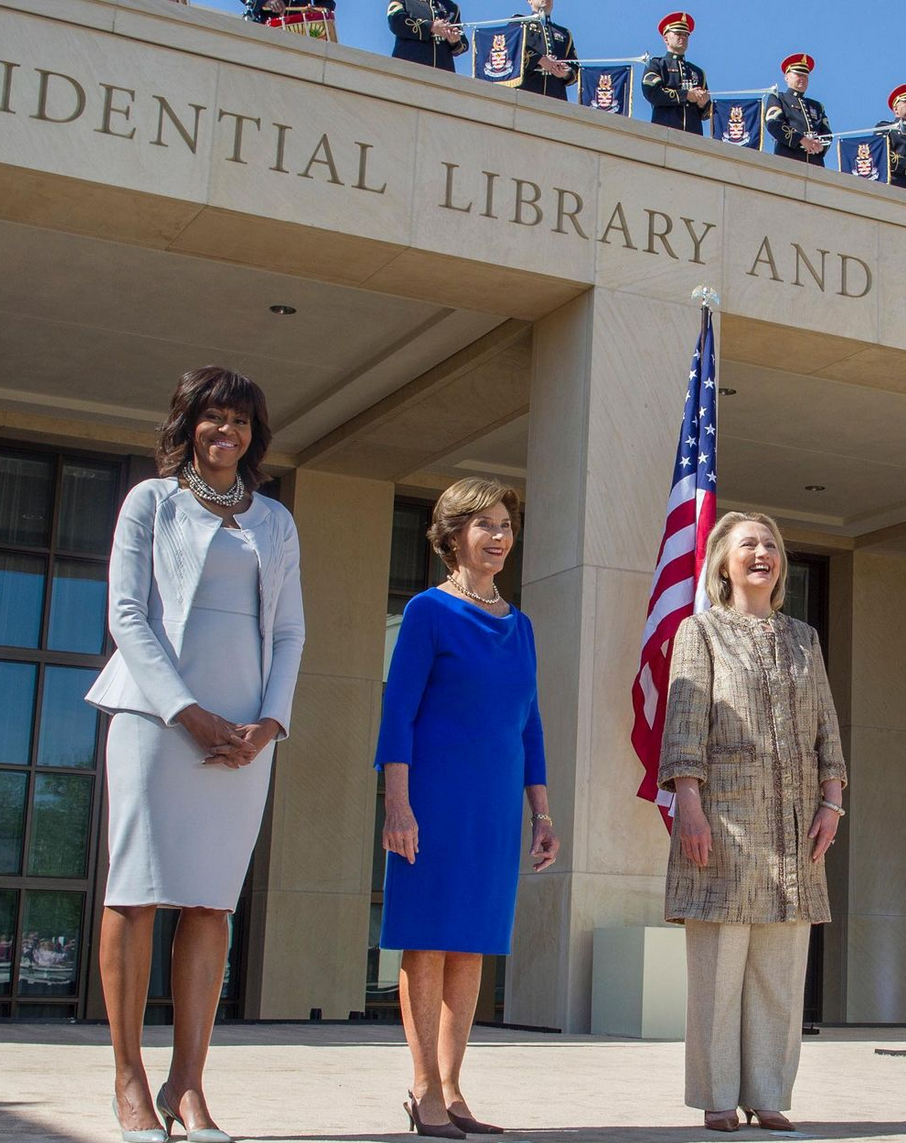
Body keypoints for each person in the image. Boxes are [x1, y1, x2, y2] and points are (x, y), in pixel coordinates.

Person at [86, 367, 305, 1143]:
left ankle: (189, 1084)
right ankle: (128, 1080)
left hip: (246, 737)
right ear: (188, 423)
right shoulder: (150, 502)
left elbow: (288, 633)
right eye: (214, 419)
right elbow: (125, 613)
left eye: (242, 422)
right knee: (137, 890)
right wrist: (186, 710)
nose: (229, 434)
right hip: (158, 718)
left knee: (212, 900)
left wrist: (269, 723)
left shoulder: (276, 520)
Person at [376, 478, 559, 1139]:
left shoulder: (522, 624)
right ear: (452, 534)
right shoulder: (428, 611)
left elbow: (529, 723)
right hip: (433, 797)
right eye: (485, 524)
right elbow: (397, 712)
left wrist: (540, 811)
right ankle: (422, 1086)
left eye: (506, 524)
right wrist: (397, 802)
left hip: (494, 803)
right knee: (428, 937)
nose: (500, 536)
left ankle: (453, 1089)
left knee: (473, 943)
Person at [658, 512, 847, 1134]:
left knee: (780, 971)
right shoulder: (700, 632)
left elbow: (827, 726)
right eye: (748, 545)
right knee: (719, 972)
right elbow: (683, 724)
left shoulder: (804, 639)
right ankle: (717, 1095)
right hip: (724, 822)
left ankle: (768, 1093)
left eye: (770, 544)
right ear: (723, 562)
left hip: (796, 828)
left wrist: (832, 799)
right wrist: (688, 801)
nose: (761, 553)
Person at [642, 12, 711, 134]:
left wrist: (703, 103)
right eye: (678, 33)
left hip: (693, 137)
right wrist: (686, 95)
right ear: (666, 39)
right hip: (664, 132)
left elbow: (707, 114)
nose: (683, 37)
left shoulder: (697, 72)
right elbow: (652, 92)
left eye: (686, 35)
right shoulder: (657, 65)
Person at [765, 54, 831, 166]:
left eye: (805, 76)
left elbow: (827, 133)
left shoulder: (817, 106)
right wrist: (801, 139)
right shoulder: (778, 98)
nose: (803, 79)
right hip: (787, 160)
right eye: (798, 74)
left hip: (815, 163)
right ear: (786, 77)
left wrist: (820, 146)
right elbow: (773, 123)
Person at [510, 0, 577, 102]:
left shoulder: (564, 34)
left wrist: (565, 73)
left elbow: (575, 67)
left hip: (555, 99)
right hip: (524, 94)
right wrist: (540, 60)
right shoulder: (520, 23)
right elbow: (512, 48)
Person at [388, 0, 468, 73]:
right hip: (407, 71)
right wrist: (431, 26)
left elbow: (463, 44)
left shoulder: (452, 7)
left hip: (443, 76)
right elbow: (396, 21)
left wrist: (454, 40)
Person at [877, 84, 906, 189]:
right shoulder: (886, 128)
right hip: (896, 183)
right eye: (905, 101)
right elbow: (880, 154)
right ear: (896, 109)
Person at [243, 0, 335, 22]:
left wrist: (316, 10)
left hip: (304, 29)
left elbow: (327, 3)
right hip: (270, 27)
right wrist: (267, 2)